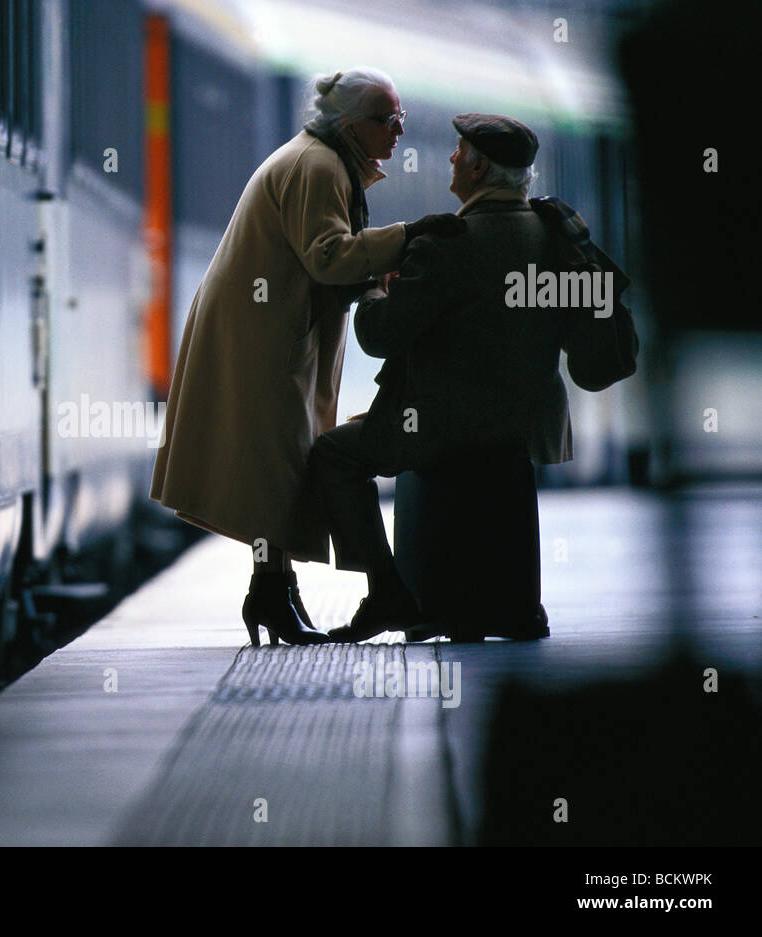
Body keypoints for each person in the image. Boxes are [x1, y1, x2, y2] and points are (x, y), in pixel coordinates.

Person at [150, 67, 465, 646]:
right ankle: (274, 594)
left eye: (400, 119)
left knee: (277, 467)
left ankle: (275, 592)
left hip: (269, 330)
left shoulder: (322, 159)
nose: (397, 130)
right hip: (263, 336)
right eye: (386, 120)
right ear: (350, 124)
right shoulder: (318, 167)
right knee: (274, 469)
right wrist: (409, 236)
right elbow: (327, 257)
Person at [295, 113, 632, 642]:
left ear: (476, 170)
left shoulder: (450, 241)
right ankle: (510, 605)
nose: (450, 158)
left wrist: (375, 291)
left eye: (458, 152)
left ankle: (387, 592)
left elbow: (380, 336)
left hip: (442, 427)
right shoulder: (552, 236)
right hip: (526, 427)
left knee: (335, 455)